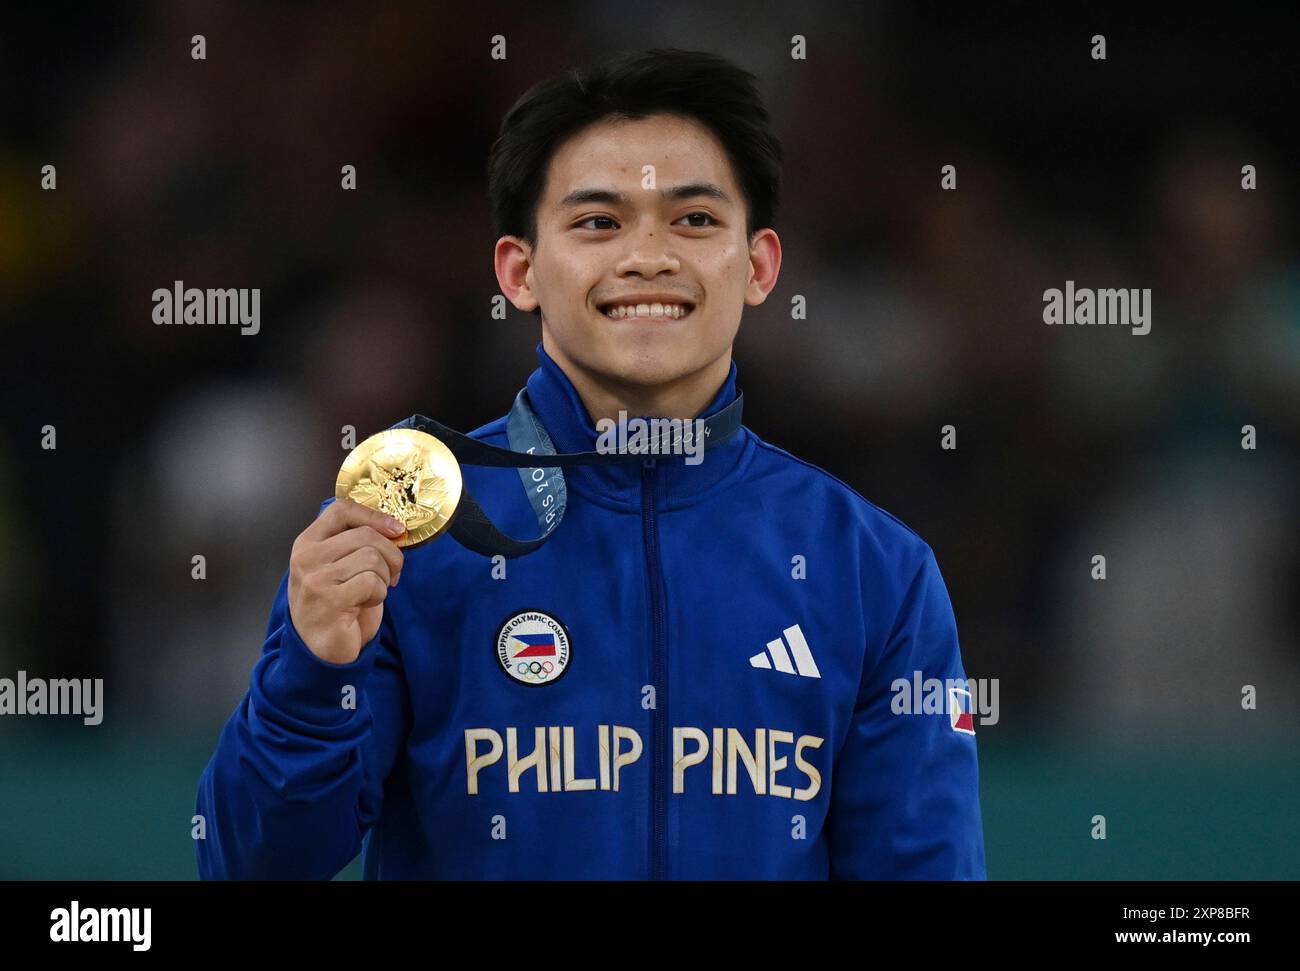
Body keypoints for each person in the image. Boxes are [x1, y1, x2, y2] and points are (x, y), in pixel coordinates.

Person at [195, 48, 987, 880]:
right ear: (520, 270)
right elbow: (246, 863)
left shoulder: (873, 571)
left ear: (758, 267)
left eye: (694, 219)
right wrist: (311, 679)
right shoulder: (406, 537)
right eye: (599, 221)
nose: (647, 256)